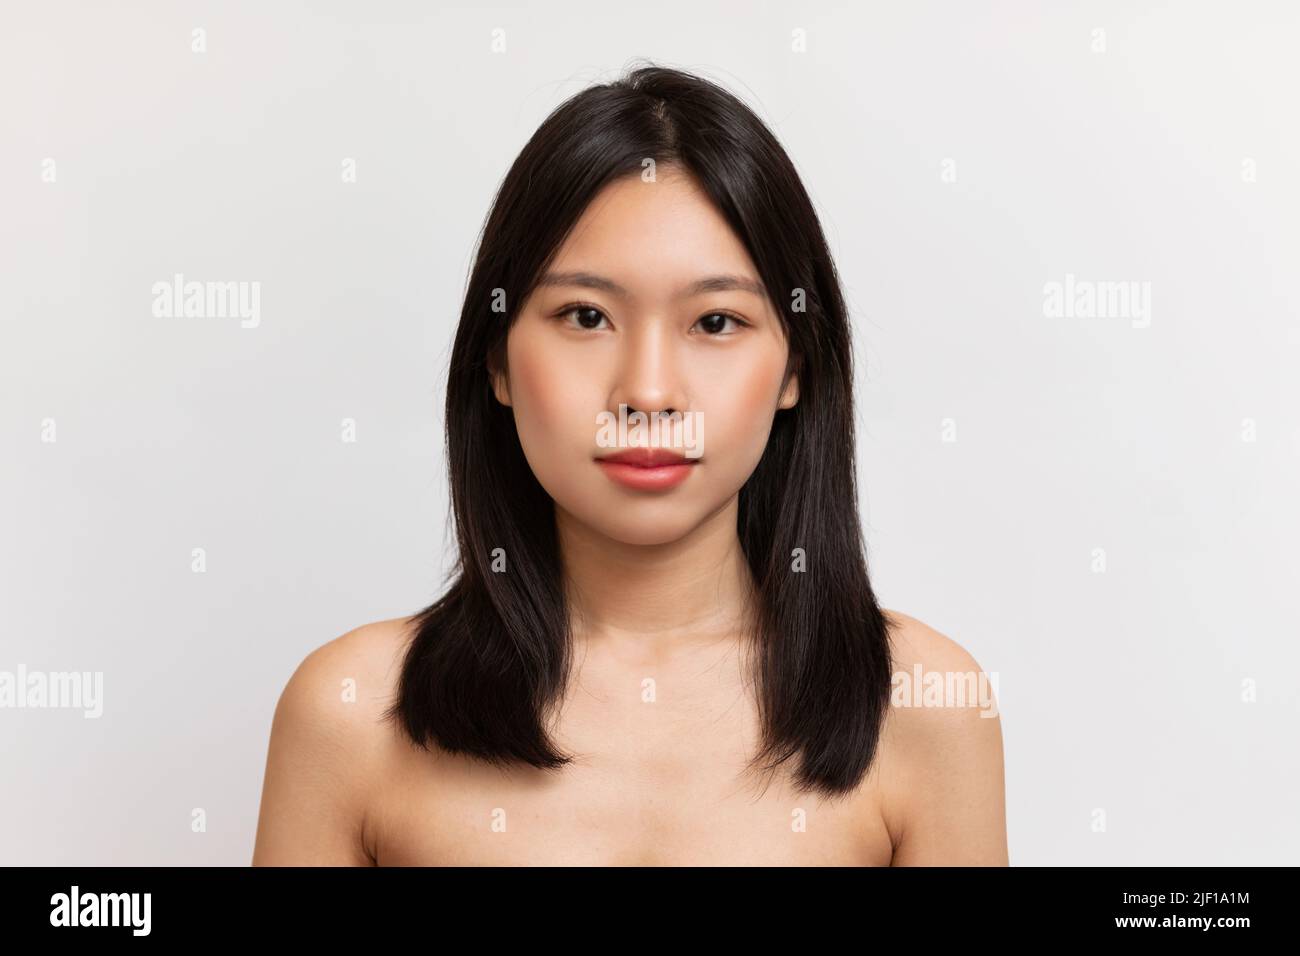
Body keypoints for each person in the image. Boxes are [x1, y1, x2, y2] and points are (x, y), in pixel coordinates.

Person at [253, 62, 1007, 866]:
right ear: (497, 360)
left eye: (715, 321)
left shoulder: (925, 707)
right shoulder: (350, 714)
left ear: (796, 371)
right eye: (586, 316)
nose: (647, 391)